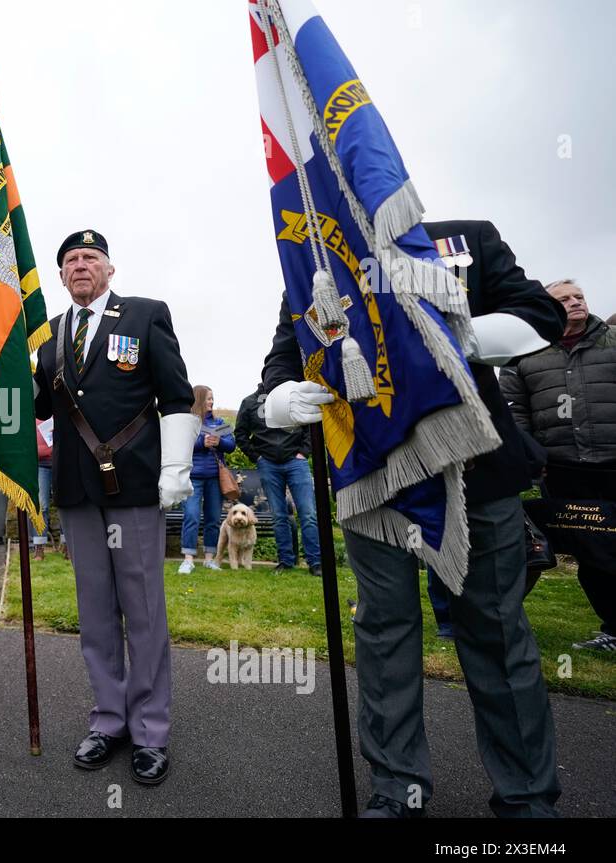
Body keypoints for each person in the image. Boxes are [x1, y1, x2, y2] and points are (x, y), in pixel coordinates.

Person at [262, 219, 565, 817]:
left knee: (496, 631)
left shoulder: (463, 240)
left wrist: (446, 337)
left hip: (471, 466)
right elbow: (282, 362)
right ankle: (398, 785)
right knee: (384, 631)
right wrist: (279, 399)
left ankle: (528, 796)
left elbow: (539, 315)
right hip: (373, 476)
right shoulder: (316, 265)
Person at [34, 229, 197, 785]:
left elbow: (176, 395)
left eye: (90, 257)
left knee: (144, 610)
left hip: (131, 484)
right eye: (70, 260)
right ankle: (109, 719)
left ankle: (151, 730)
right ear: (60, 276)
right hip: (77, 489)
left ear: (109, 268)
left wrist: (175, 467)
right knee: (96, 611)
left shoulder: (146, 315)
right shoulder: (48, 335)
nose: (80, 265)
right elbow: (34, 403)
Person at [500, 278, 616, 651]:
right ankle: (613, 628)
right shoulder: (525, 352)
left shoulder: (612, 342)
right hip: (563, 469)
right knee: (589, 548)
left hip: (614, 462)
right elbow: (515, 415)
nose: (575, 302)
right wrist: (531, 458)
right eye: (564, 298)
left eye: (579, 296)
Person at [235, 384, 321, 576]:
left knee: (308, 514)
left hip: (295, 462)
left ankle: (315, 562)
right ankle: (286, 561)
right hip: (268, 465)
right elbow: (240, 434)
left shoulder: (293, 397)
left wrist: (303, 452)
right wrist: (257, 457)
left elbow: (310, 425)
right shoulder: (249, 402)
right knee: (279, 516)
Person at [178, 386, 234, 574]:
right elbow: (181, 444)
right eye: (209, 398)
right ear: (199, 400)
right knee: (191, 516)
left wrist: (220, 442)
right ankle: (188, 559)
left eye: (212, 398)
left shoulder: (220, 422)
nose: (212, 402)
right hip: (193, 477)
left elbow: (232, 445)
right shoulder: (187, 423)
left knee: (213, 519)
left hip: (214, 479)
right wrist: (202, 443)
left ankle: (210, 559)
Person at [33, 417, 55, 545]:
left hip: (60, 463)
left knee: (64, 503)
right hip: (41, 465)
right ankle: (39, 545)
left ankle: (66, 545)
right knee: (42, 505)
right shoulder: (31, 414)